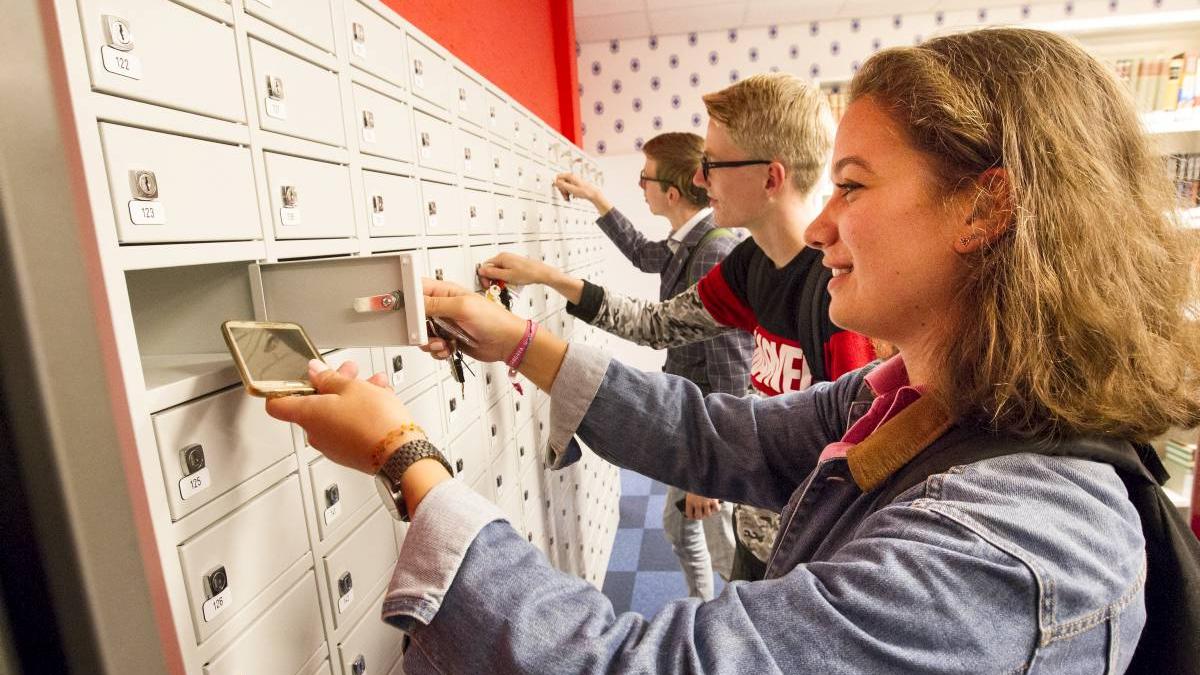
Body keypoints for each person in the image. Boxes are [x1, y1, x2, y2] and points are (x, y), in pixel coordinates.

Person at [266, 28, 1200, 673]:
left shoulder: (1004, 547)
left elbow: (640, 665)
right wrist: (517, 339)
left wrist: (407, 460)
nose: (825, 223)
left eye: (858, 186)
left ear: (985, 206)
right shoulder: (921, 398)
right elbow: (724, 435)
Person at [480, 72, 875, 581]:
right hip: (756, 534)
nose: (700, 178)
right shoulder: (749, 264)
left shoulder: (836, 295)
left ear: (771, 178)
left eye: (713, 164)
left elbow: (856, 463)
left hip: (811, 555)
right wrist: (547, 278)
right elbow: (659, 325)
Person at [542, 130, 752, 600]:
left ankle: (736, 623)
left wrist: (710, 470)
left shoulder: (713, 249)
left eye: (644, 178)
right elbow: (643, 254)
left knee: (722, 543)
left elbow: (729, 366)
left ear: (672, 192)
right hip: (692, 418)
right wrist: (597, 198)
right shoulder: (689, 240)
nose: (640, 187)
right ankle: (709, 611)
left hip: (707, 426)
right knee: (683, 530)